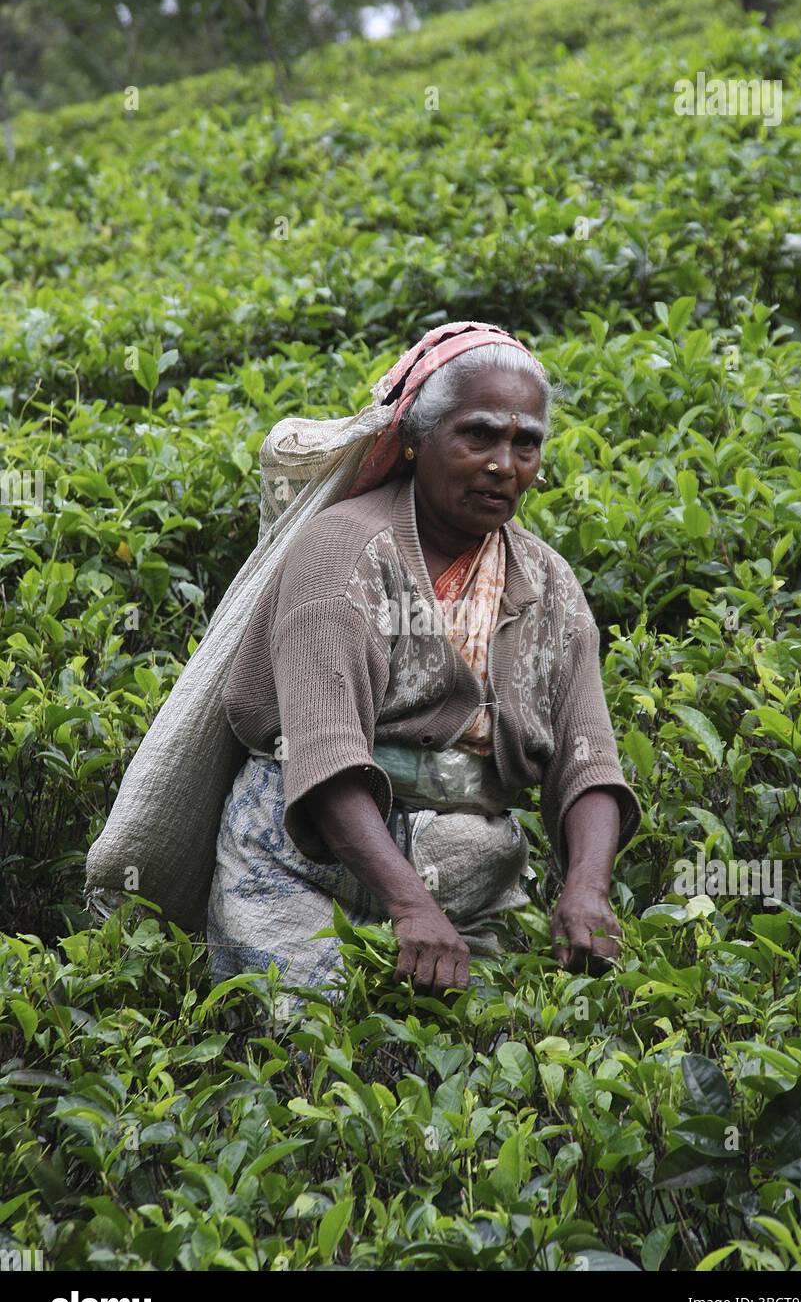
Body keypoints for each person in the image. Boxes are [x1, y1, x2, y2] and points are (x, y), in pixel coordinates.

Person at [206, 321, 640, 1007]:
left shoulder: (547, 582)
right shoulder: (343, 550)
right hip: (306, 865)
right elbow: (323, 752)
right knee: (306, 1056)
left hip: (470, 878)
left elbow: (587, 760)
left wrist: (586, 888)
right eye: (479, 434)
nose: (504, 463)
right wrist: (412, 908)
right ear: (414, 439)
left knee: (483, 1068)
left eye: (525, 443)